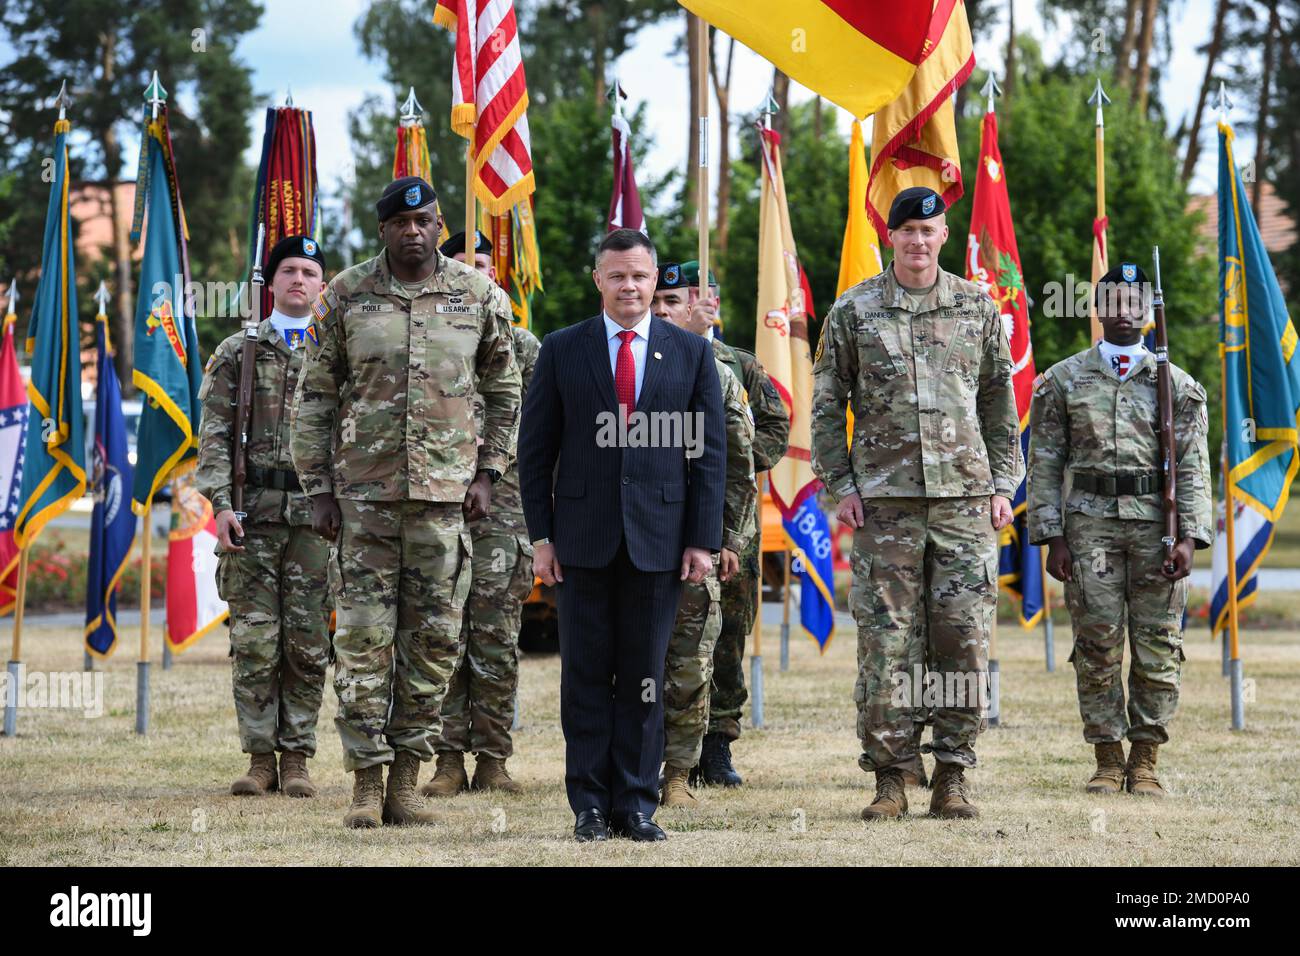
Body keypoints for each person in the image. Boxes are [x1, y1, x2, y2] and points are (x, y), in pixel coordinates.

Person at [291, 177, 520, 828]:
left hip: (445, 505)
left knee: (433, 644)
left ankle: (406, 783)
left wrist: (489, 473)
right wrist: (319, 489)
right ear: (383, 230)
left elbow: (506, 390)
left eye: (424, 221)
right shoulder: (345, 296)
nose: (413, 232)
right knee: (363, 642)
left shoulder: (478, 296)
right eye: (401, 223)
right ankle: (366, 783)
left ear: (438, 222)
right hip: (363, 503)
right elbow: (315, 400)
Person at [811, 186, 1022, 821]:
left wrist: (1004, 485)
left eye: (929, 231)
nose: (918, 241)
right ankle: (892, 776)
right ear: (891, 237)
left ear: (944, 234)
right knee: (887, 641)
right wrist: (840, 487)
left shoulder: (977, 307)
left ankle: (954, 773)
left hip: (963, 500)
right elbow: (825, 407)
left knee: (963, 639)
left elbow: (998, 404)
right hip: (885, 504)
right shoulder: (854, 310)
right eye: (907, 231)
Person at [518, 228, 725, 842]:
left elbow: (708, 456)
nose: (630, 286)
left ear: (655, 279)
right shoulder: (562, 349)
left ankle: (636, 804)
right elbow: (536, 451)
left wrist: (701, 540)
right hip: (581, 540)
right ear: (598, 280)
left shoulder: (690, 354)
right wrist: (542, 536)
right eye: (617, 275)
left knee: (643, 675)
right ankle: (588, 805)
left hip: (659, 540)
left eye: (641, 275)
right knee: (583, 673)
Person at [1027, 262, 1212, 798]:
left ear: (1151, 314)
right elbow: (1044, 462)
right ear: (1097, 310)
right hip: (1089, 530)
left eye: (1137, 303)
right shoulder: (1063, 380)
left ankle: (1146, 759)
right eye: (1115, 302)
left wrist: (1189, 535)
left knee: (1158, 644)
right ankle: (1108, 759)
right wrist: (1052, 534)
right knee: (1097, 643)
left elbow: (1194, 465)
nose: (1125, 312)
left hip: (1158, 525)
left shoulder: (1174, 383)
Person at [197, 234, 331, 799]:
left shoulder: (336, 349)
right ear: (269, 283)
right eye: (288, 271)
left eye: (308, 272)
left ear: (322, 285)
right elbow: (215, 435)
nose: (298, 280)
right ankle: (259, 758)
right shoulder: (239, 351)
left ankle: (297, 757)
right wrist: (221, 506)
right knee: (254, 642)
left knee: (306, 642)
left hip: (316, 520)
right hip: (252, 517)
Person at [422, 230, 541, 796]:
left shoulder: (526, 347)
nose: (476, 275)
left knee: (495, 638)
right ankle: (446, 760)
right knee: (443, 635)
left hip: (505, 515)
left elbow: (546, 438)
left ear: (498, 277)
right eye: (464, 265)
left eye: (484, 267)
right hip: (439, 508)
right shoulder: (427, 338)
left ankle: (493, 758)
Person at [677, 260, 789, 787]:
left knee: (726, 636)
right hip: (669, 516)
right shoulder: (653, 358)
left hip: (732, 523)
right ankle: (669, 742)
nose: (685, 307)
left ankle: (717, 743)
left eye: (695, 297)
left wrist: (739, 463)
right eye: (674, 298)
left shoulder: (739, 366)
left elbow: (775, 423)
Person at [650, 262, 756, 808]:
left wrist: (728, 538)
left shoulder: (721, 369)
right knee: (638, 658)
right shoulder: (621, 361)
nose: (662, 309)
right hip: (636, 534)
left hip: (701, 535)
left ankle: (692, 763)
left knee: (703, 654)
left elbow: (738, 459)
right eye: (656, 299)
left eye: (672, 300)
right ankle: (638, 763)